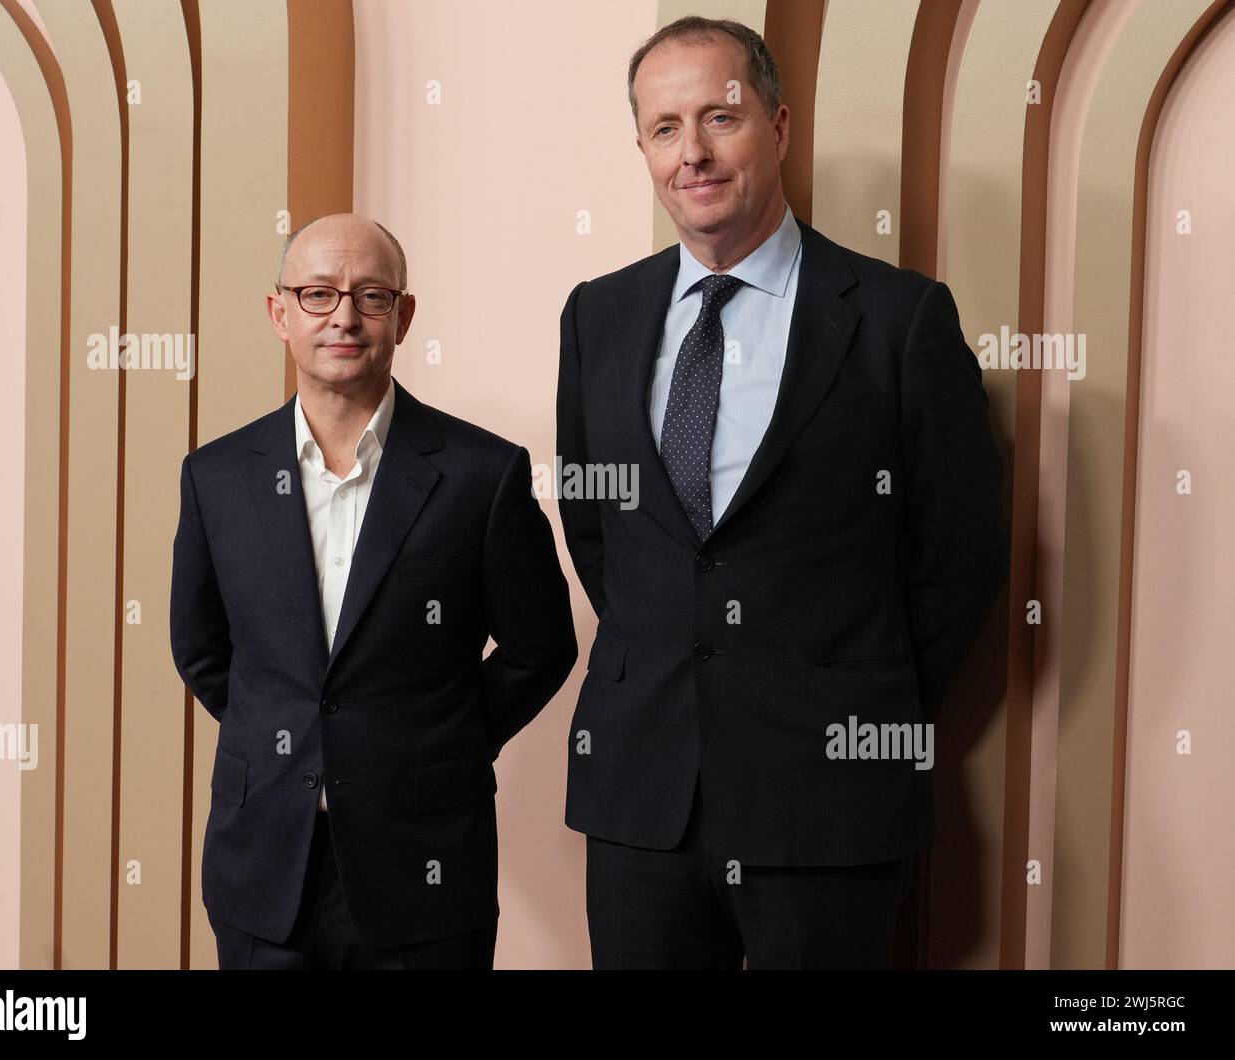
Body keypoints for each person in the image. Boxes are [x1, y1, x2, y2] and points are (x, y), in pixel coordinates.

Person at [556, 16, 1009, 969]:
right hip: (645, 796)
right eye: (665, 128)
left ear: (779, 126)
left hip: (830, 795)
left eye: (720, 117)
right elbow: (598, 528)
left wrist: (848, 694)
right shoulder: (598, 315)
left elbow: (958, 557)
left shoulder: (898, 319)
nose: (694, 153)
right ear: (642, 146)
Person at [171, 213, 576, 968]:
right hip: (263, 865)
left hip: (425, 868)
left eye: (371, 296)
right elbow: (200, 650)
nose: (344, 318)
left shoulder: (481, 475)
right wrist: (293, 736)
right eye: (318, 294)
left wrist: (441, 740)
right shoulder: (216, 477)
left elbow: (540, 646)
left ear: (405, 315)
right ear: (279, 313)